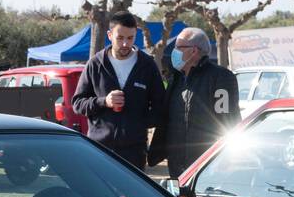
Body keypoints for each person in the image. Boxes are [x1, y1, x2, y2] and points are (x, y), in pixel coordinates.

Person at [71, 10, 164, 169]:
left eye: (130, 38)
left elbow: (160, 107)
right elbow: (78, 103)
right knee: (99, 194)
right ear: (109, 35)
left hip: (134, 152)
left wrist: (137, 124)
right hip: (99, 149)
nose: (125, 44)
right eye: (120, 38)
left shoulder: (147, 65)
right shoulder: (95, 64)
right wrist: (103, 102)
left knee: (132, 195)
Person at [150, 26, 240, 179]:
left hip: (208, 165)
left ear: (194, 51)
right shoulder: (176, 79)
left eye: (179, 47)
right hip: (176, 164)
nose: (174, 52)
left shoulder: (220, 77)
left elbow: (227, 120)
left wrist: (226, 158)